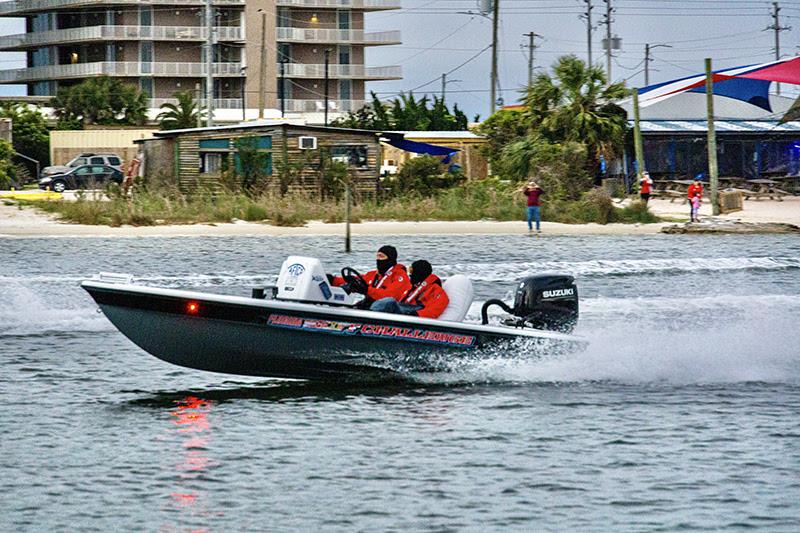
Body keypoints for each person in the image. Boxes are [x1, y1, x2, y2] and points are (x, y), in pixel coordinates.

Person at [331, 245, 410, 307]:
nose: (378, 259)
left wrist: (367, 290)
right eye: (377, 256)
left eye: (381, 256)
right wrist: (333, 280)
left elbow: (390, 296)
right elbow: (359, 279)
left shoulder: (400, 276)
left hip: (386, 310)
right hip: (369, 306)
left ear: (390, 259)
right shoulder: (374, 274)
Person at [370, 260, 450, 319]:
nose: (410, 274)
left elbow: (435, 309)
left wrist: (416, 314)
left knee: (389, 302)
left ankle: (370, 318)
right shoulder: (411, 288)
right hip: (404, 311)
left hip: (413, 314)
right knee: (385, 301)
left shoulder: (435, 290)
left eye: (412, 271)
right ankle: (369, 313)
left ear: (419, 272)